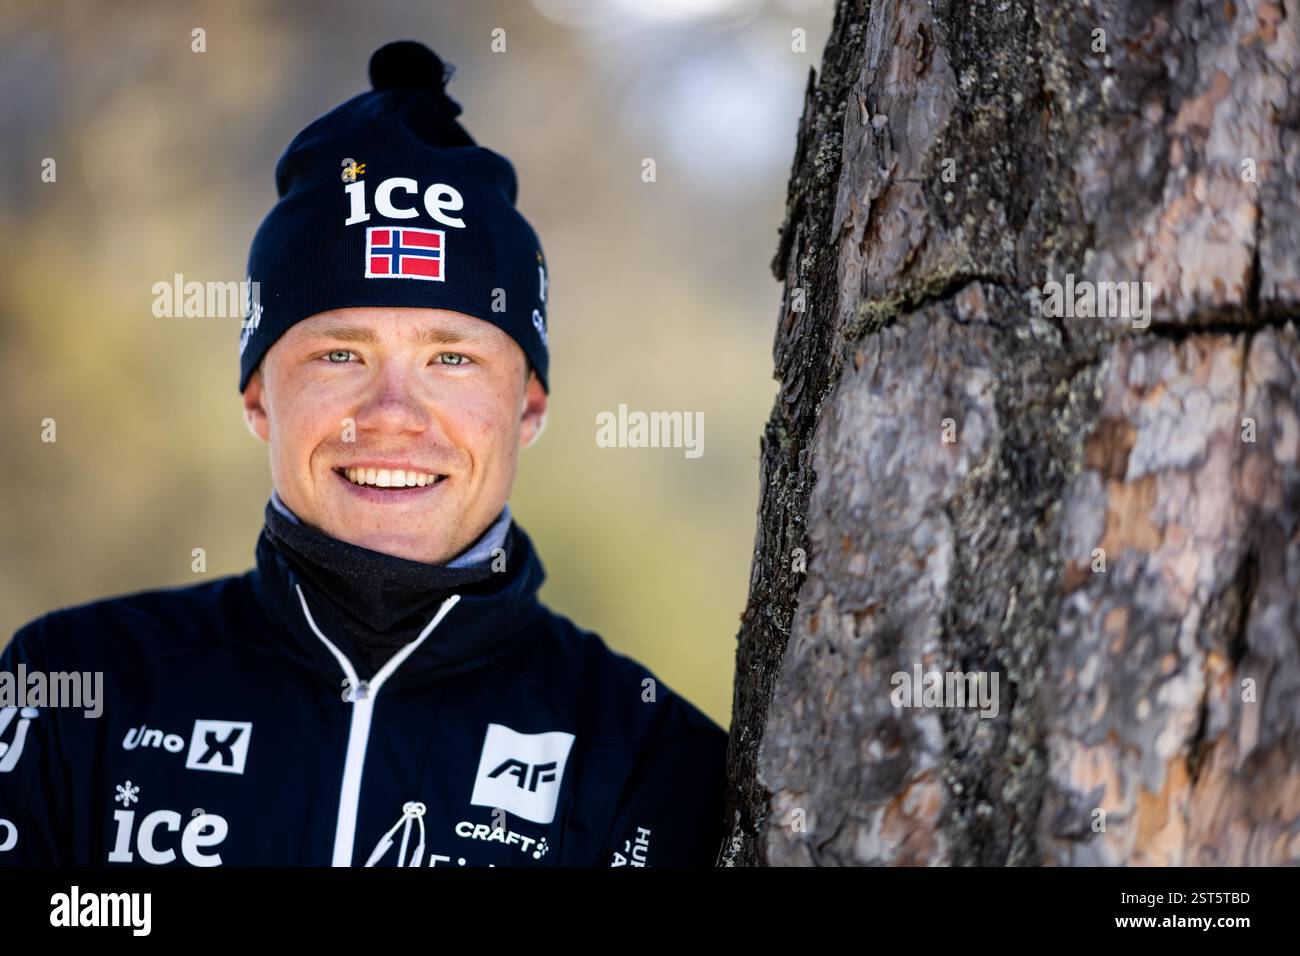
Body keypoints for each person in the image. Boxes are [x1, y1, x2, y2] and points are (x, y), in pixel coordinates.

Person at [0, 40, 729, 868]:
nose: (390, 416)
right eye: (339, 355)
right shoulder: (73, 684)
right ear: (257, 399)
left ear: (526, 406)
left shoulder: (646, 755)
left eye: (451, 359)